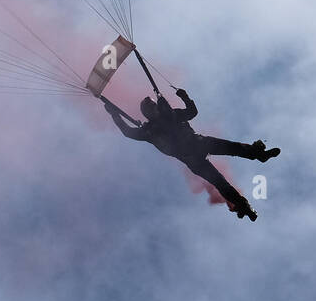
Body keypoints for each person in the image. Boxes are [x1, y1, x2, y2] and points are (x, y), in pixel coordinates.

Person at [102, 89, 280, 221]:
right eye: (151, 107)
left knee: (231, 148)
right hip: (192, 156)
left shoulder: (168, 117)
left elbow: (192, 113)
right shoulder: (149, 131)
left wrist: (185, 97)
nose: (155, 108)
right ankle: (243, 206)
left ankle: (259, 154)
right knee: (220, 181)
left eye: (154, 105)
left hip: (198, 145)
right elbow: (127, 132)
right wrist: (115, 115)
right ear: (148, 112)